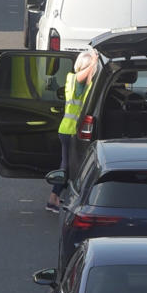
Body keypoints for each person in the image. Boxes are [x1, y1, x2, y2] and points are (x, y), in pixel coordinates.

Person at [46, 48, 98, 213]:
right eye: (89, 66)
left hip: (68, 129)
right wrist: (95, 61)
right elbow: (84, 76)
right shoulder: (75, 79)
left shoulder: (77, 80)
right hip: (69, 131)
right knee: (67, 167)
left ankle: (56, 196)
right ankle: (52, 199)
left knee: (67, 165)